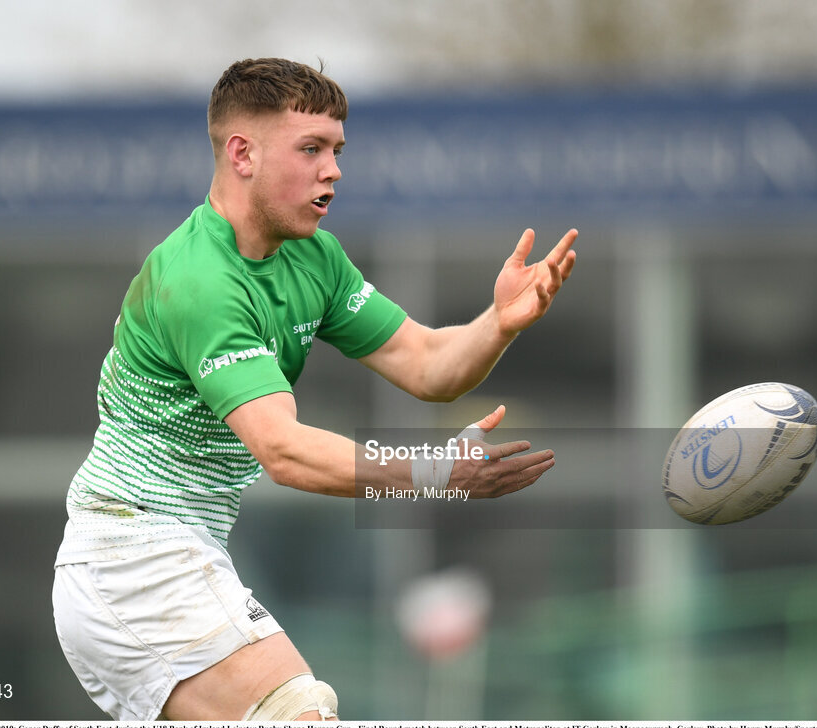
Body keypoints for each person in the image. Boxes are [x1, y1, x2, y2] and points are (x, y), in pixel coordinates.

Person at [52, 57, 577, 721]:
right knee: (299, 710)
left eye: (336, 150)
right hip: (133, 557)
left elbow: (425, 364)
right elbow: (284, 452)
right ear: (241, 153)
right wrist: (432, 471)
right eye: (310, 149)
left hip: (170, 555)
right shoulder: (200, 282)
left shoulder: (313, 256)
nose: (332, 170)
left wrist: (497, 323)